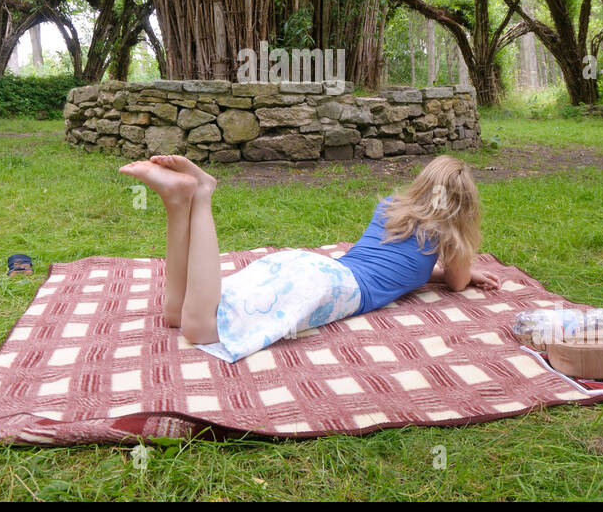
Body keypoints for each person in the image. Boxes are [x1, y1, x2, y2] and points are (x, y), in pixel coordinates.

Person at [118, 153, 501, 363]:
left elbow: (403, 269)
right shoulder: (445, 234)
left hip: (311, 265)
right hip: (334, 286)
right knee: (199, 328)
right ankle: (200, 195)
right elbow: (456, 281)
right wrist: (468, 266)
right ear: (463, 207)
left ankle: (177, 202)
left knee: (178, 314)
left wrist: (430, 274)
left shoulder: (391, 208)